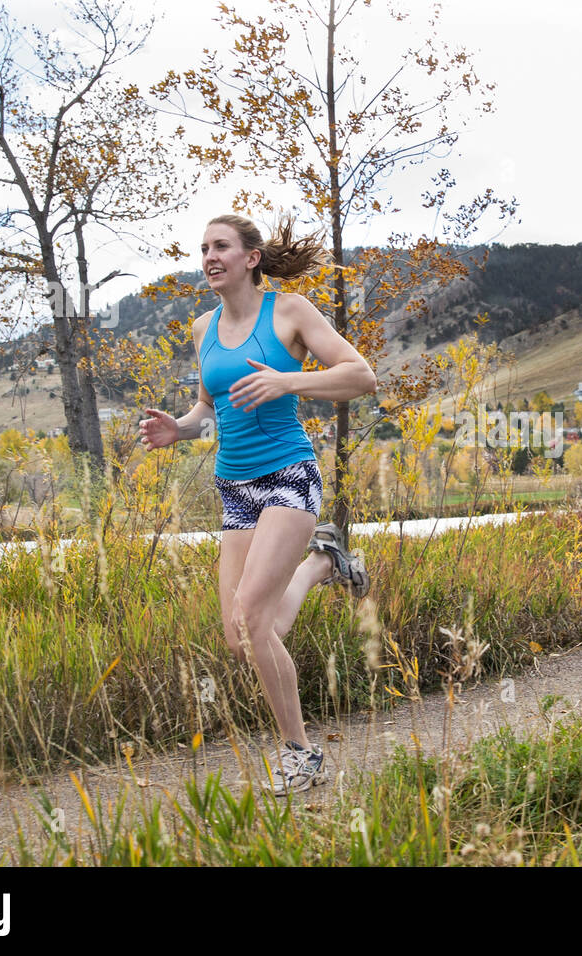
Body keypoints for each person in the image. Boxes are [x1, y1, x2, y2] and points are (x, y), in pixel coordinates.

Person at [138, 212, 376, 795]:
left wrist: (287, 381)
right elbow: (209, 409)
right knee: (241, 633)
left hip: (288, 478)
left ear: (251, 258)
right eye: (203, 249)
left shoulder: (289, 311)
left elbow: (361, 375)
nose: (209, 257)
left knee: (249, 617)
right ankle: (323, 564)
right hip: (234, 488)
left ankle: (300, 752)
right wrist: (182, 429)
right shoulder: (203, 328)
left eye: (220, 247)